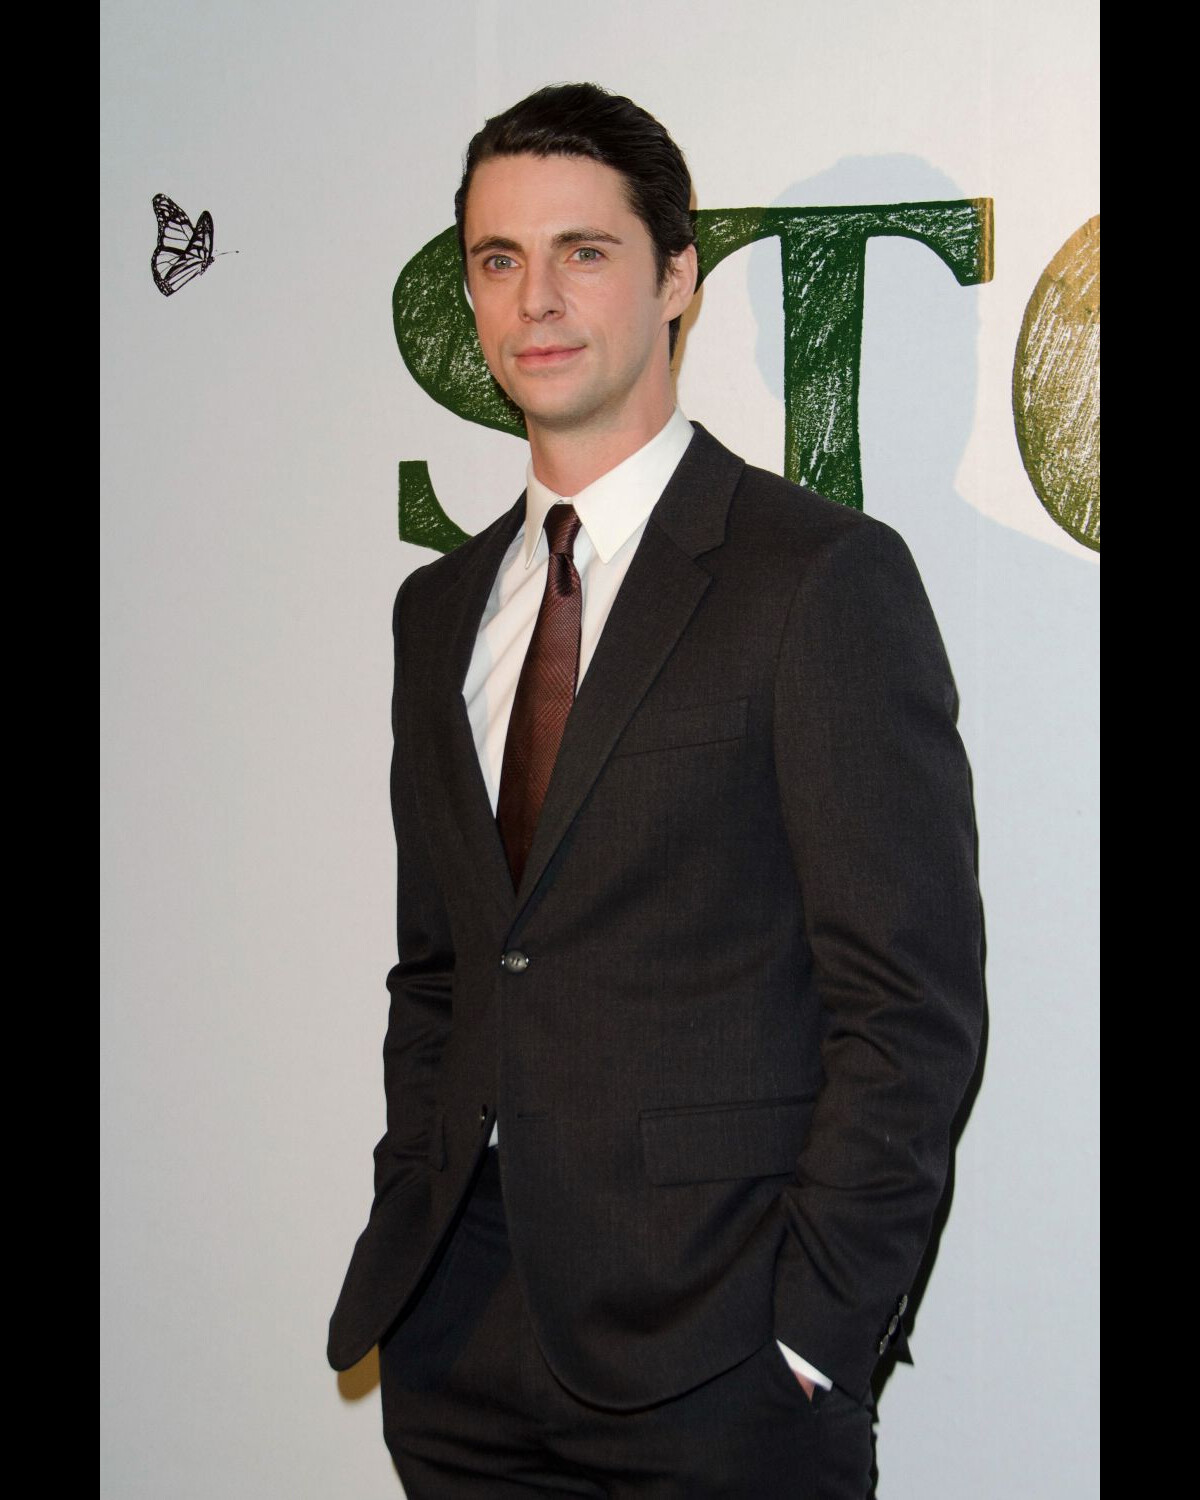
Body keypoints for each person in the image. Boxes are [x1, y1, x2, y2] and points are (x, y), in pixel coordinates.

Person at [329, 82, 985, 1499]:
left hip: (718, 1360)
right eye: (499, 260)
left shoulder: (814, 580)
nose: (537, 299)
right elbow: (442, 970)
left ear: (678, 277)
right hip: (457, 1348)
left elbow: (908, 1003)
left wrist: (816, 1332)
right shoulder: (437, 610)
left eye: (586, 251)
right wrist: (411, 1224)